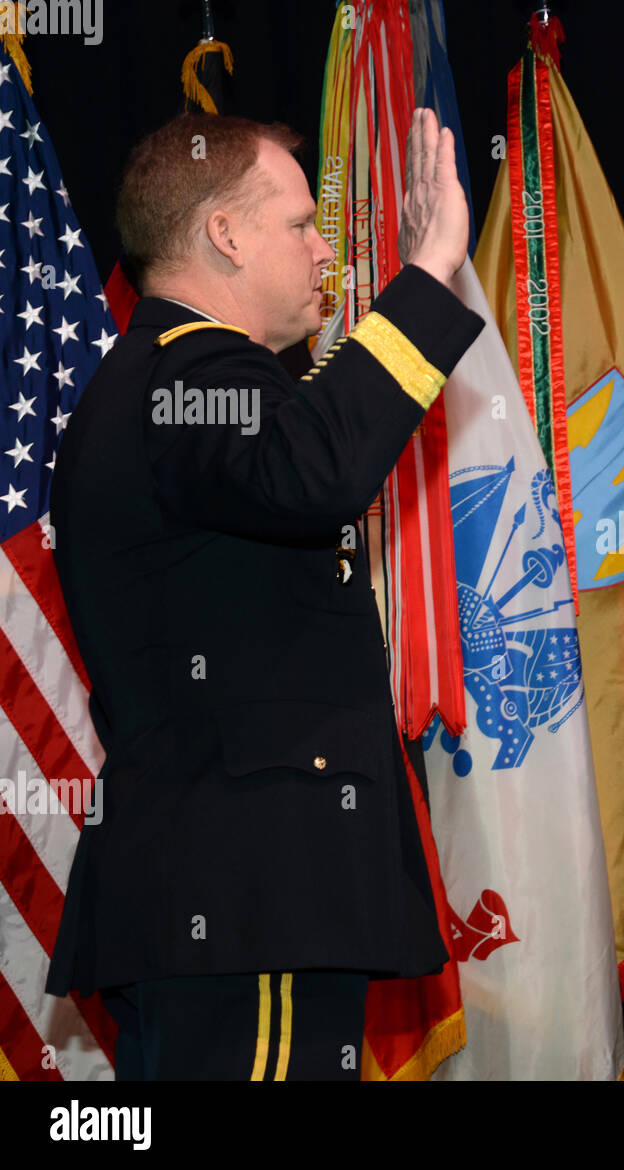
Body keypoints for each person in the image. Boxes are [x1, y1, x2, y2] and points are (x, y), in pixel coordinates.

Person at [44, 110, 483, 1080]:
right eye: (302, 226)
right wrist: (428, 272)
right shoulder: (192, 368)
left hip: (220, 890)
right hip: (249, 888)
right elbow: (311, 471)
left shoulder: (152, 375)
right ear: (225, 235)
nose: (326, 251)